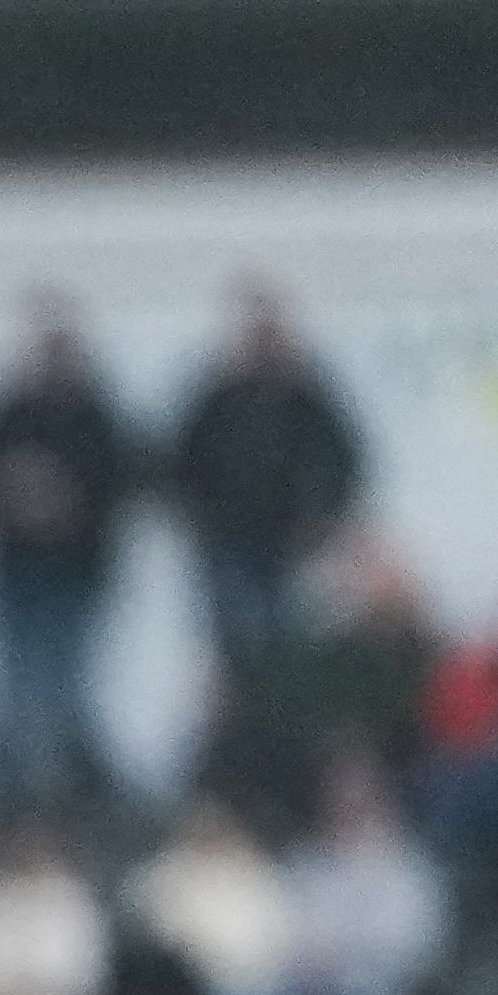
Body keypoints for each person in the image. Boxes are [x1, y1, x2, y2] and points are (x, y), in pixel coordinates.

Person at [0, 299, 136, 821]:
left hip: (76, 575)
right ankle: (16, 798)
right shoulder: (9, 412)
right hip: (16, 575)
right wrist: (17, 495)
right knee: (16, 688)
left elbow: (118, 482)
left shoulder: (95, 414)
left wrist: (63, 501)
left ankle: (60, 798)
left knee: (65, 688)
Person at [166, 285, 366, 703]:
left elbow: (343, 464)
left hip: (292, 549)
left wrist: (321, 520)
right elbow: (180, 467)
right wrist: (204, 522)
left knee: (291, 652)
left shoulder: (309, 399)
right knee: (237, 654)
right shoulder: (217, 398)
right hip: (229, 550)